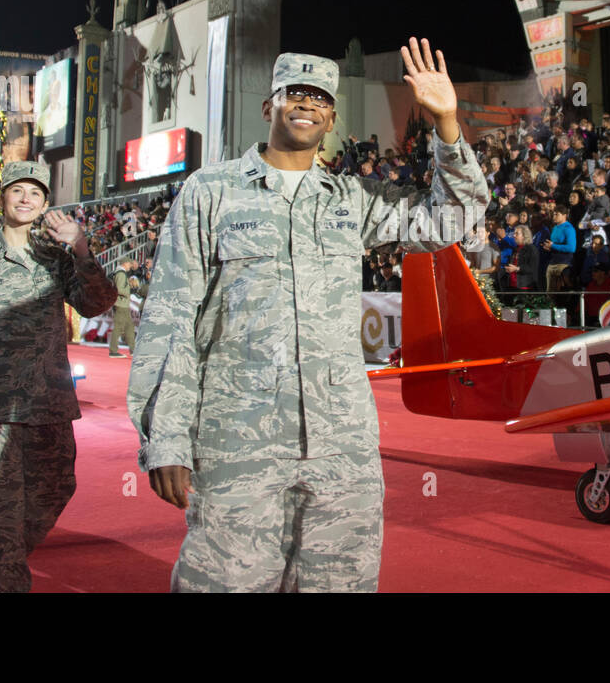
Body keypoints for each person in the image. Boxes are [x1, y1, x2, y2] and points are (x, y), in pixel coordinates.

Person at [127, 40, 488, 593]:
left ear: (332, 118)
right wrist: (167, 438)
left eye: (319, 98)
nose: (306, 104)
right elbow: (170, 317)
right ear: (269, 106)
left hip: (340, 446)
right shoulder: (211, 193)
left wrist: (446, 125)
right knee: (225, 583)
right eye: (293, 93)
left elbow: (452, 220)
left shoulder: (353, 197)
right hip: (237, 442)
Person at [0, 162, 116, 593]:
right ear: (2, 199)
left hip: (48, 403)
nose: (24, 199)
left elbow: (97, 303)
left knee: (56, 489)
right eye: (17, 190)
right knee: (1, 505)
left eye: (34, 193)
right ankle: (4, 566)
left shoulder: (55, 260)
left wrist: (82, 248)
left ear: (45, 205)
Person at [108, 259, 138, 358]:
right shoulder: (121, 274)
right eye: (129, 263)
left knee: (129, 327)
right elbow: (120, 289)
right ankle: (113, 351)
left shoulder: (120, 273)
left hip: (122, 304)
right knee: (118, 327)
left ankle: (133, 350)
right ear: (125, 263)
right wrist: (130, 290)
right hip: (121, 304)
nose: (130, 266)